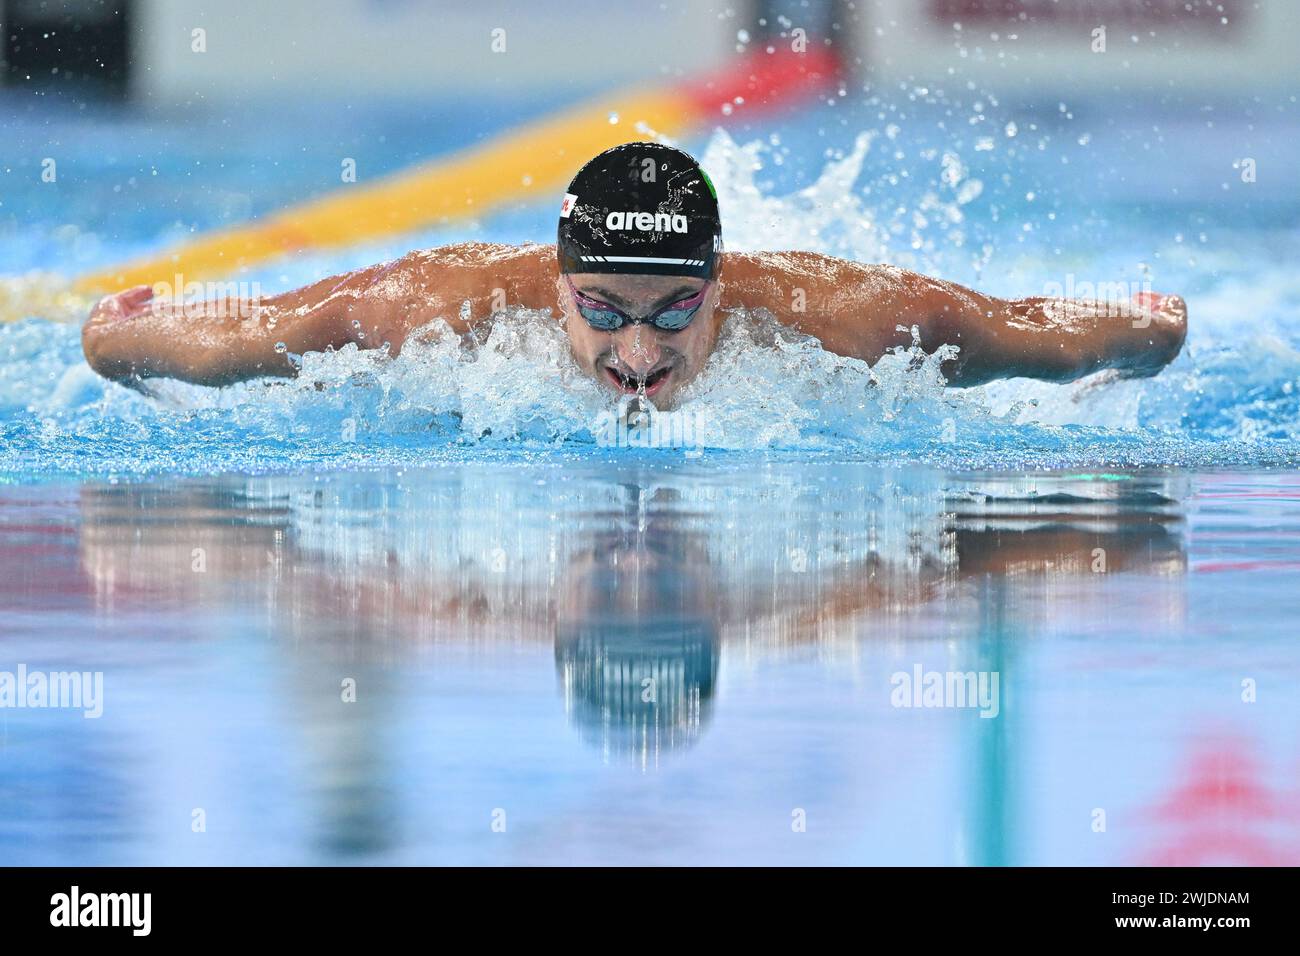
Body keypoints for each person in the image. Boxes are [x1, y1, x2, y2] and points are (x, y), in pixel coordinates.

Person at [81, 142, 1187, 405]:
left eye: (675, 313)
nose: (641, 357)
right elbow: (246, 330)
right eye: (602, 312)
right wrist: (118, 335)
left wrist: (1145, 326)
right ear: (555, 286)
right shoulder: (437, 308)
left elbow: (1035, 330)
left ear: (721, 282)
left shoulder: (849, 320)